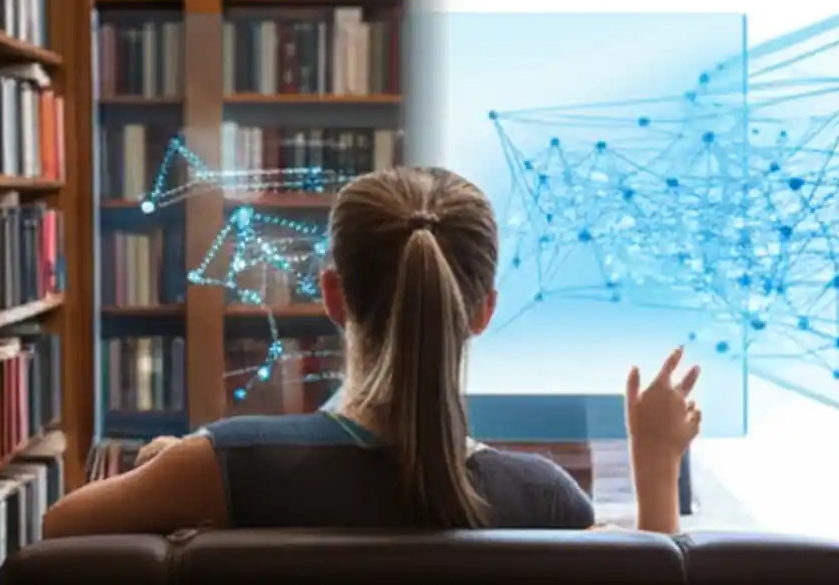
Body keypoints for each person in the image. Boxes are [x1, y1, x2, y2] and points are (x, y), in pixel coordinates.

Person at [42, 167, 701, 537]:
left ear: (333, 296)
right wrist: (656, 463)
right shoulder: (543, 499)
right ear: (483, 312)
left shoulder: (226, 466)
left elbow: (60, 531)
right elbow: (648, 572)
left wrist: (170, 470)